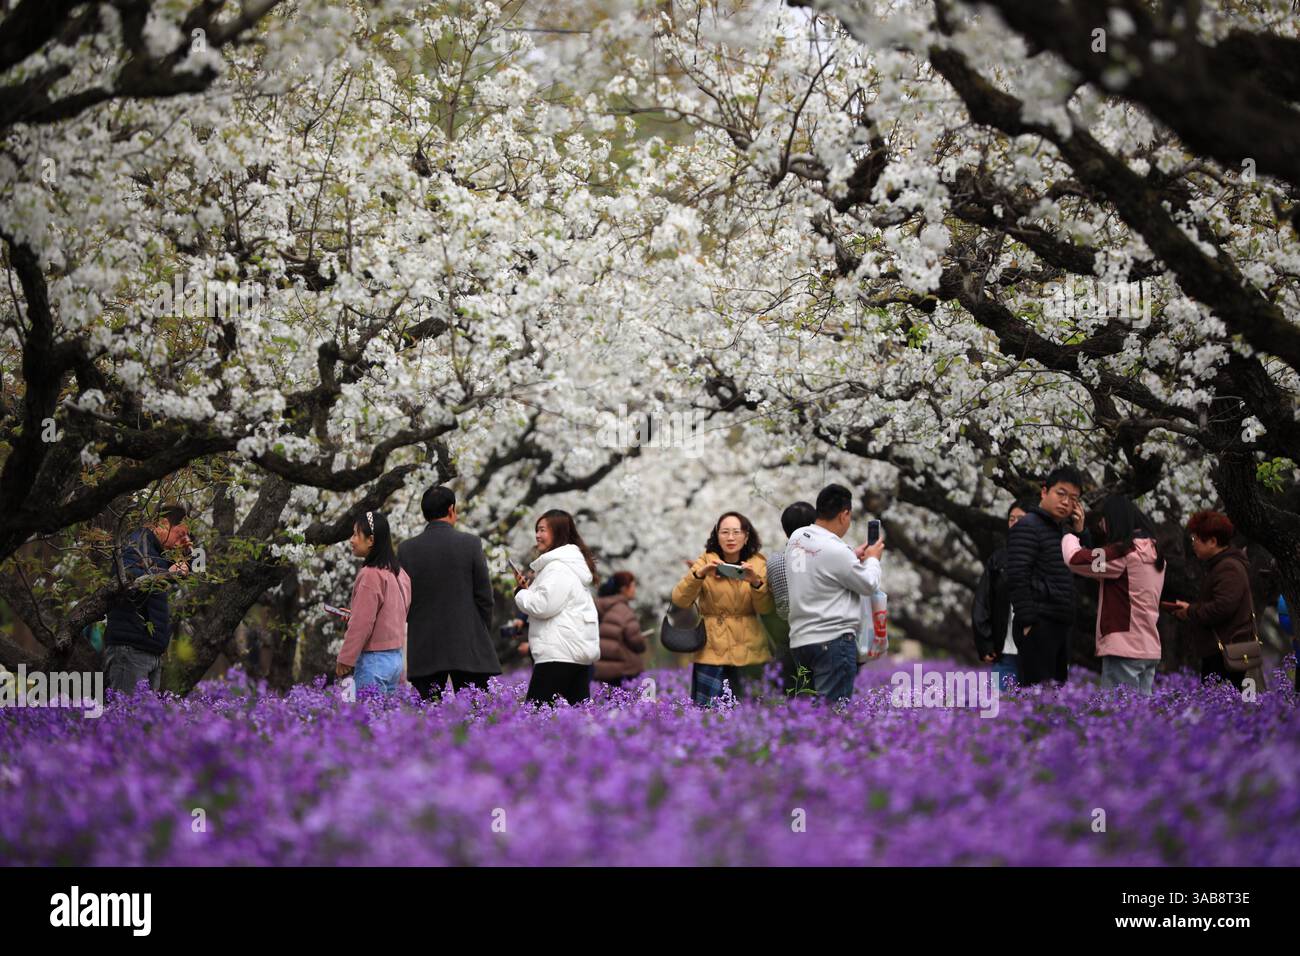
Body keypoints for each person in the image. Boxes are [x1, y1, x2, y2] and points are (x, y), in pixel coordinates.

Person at [398, 486, 501, 700]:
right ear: (451, 509)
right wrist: (480, 631)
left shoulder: (407, 549)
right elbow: (484, 597)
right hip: (466, 641)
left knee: (427, 715)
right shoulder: (470, 544)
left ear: (424, 513)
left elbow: (402, 598)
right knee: (475, 714)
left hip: (424, 643)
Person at [785, 484, 884, 702]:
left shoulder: (798, 538)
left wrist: (852, 555)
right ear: (844, 514)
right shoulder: (835, 550)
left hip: (801, 642)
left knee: (806, 717)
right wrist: (873, 559)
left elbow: (821, 565)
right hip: (832, 641)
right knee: (831, 718)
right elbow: (868, 584)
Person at [1061, 495, 1166, 694]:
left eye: (1104, 520)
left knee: (1120, 717)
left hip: (1124, 649)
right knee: (1142, 720)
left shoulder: (1123, 553)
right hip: (1149, 647)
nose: (1102, 525)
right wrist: (1082, 531)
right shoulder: (1154, 552)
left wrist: (1068, 533)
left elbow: (1075, 558)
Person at [671, 512, 775, 705]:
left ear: (746, 536)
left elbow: (765, 608)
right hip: (711, 649)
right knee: (709, 715)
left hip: (749, 649)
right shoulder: (705, 561)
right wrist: (699, 574)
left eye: (736, 532)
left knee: (751, 715)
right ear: (717, 536)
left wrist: (755, 582)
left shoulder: (759, 564)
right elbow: (679, 600)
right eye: (725, 532)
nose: (730, 538)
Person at [1006, 465, 1088, 686]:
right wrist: (1028, 622)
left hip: (1060, 623)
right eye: (1060, 494)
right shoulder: (1027, 526)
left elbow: (1092, 569)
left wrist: (1082, 533)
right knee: (1038, 697)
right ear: (1044, 492)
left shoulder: (1064, 531)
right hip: (1039, 624)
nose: (1066, 502)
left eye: (1073, 498)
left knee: (1055, 699)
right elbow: (1016, 575)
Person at [513, 510, 602, 705]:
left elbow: (543, 605)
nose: (537, 535)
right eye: (537, 529)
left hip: (557, 654)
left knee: (535, 716)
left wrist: (520, 593)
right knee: (579, 717)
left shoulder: (559, 567)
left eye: (543, 530)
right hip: (572, 653)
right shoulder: (567, 565)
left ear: (559, 532)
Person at [103, 501, 192, 694]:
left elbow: (186, 572)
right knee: (126, 717)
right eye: (180, 534)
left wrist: (187, 555)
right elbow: (128, 582)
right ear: (163, 524)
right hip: (131, 649)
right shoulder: (135, 544)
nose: (183, 540)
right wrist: (167, 574)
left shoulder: (157, 552)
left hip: (149, 650)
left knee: (145, 722)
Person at [1167, 511, 1260, 691]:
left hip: (1225, 653)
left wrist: (1190, 611)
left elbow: (1222, 607)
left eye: (1196, 540)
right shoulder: (1221, 565)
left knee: (1222, 708)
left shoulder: (1228, 568)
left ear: (1212, 541)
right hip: (1221, 650)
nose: (1193, 544)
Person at [335, 511, 412, 694]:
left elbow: (362, 623)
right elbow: (396, 614)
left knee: (367, 720)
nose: (351, 540)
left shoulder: (370, 574)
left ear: (370, 540)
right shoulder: (400, 573)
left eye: (355, 534)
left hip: (373, 661)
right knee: (387, 721)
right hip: (396, 659)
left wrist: (346, 658)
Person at [972, 500, 1032, 691]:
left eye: (1020, 519)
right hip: (1004, 650)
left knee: (1036, 712)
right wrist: (985, 642)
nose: (1014, 523)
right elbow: (982, 602)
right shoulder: (998, 559)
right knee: (1004, 712)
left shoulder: (1046, 556)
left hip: (1035, 651)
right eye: (1011, 519)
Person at [765, 501, 816, 694]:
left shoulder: (774, 561)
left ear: (786, 530)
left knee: (791, 696)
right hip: (817, 635)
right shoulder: (821, 557)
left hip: (786, 638)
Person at [594, 572, 646, 688]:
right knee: (625, 704)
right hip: (623, 669)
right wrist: (642, 641)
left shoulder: (599, 607)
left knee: (608, 704)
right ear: (624, 589)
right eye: (633, 586)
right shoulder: (624, 610)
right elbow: (636, 641)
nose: (634, 590)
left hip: (602, 668)